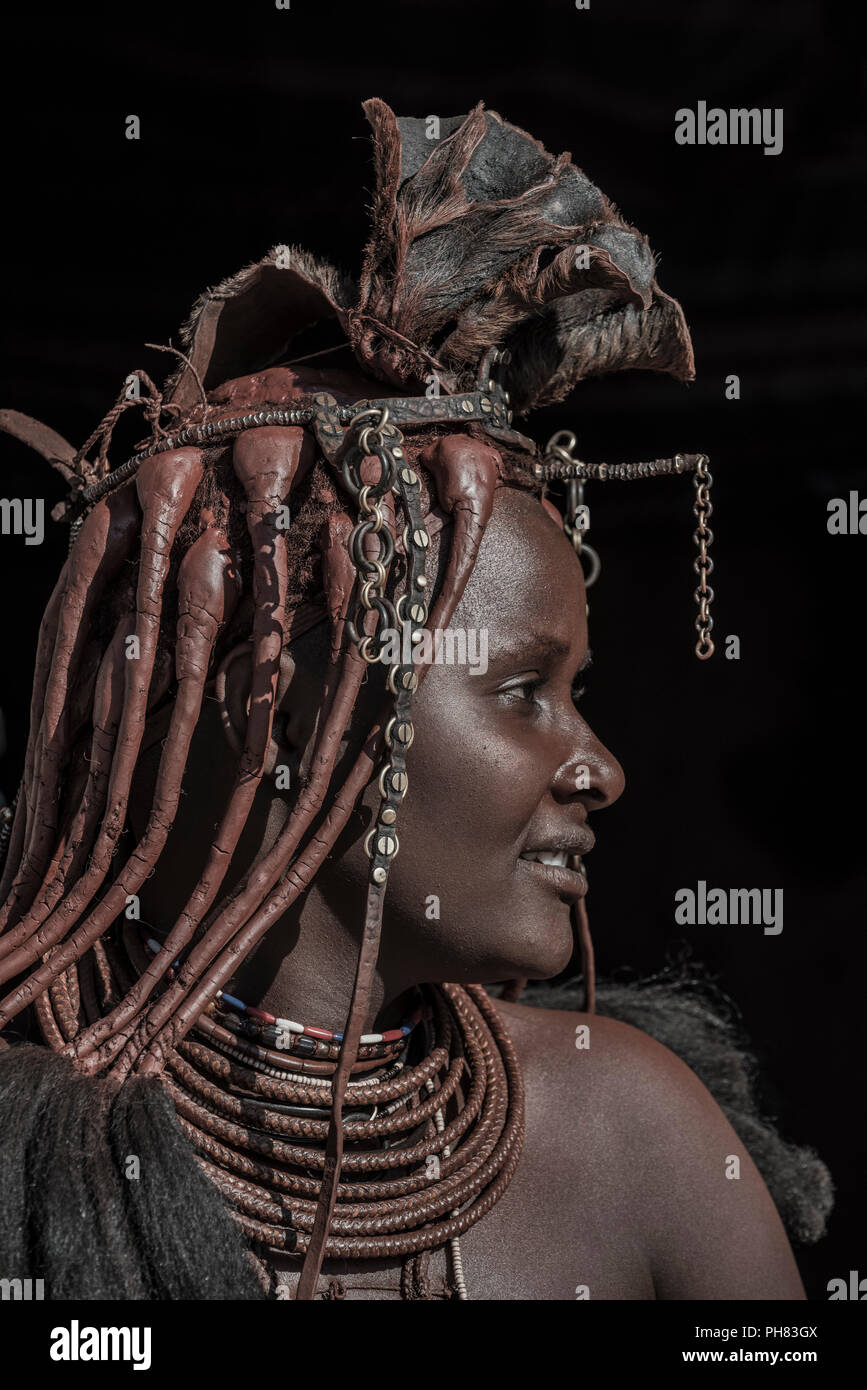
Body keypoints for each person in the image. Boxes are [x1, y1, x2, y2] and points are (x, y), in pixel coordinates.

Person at [0, 99, 831, 1300]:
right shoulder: (30, 1175)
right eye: (519, 692)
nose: (601, 767)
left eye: (573, 692)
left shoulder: (637, 1141)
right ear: (279, 715)